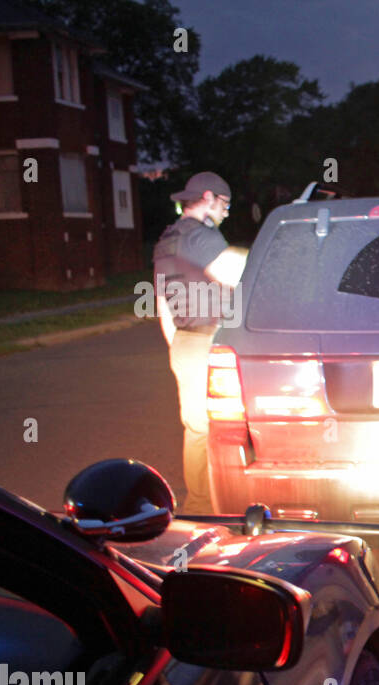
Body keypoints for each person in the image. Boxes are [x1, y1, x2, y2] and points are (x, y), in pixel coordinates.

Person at [152, 171, 246, 513]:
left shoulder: (168, 238)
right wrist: (264, 257)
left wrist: (178, 345)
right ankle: (216, 507)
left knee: (196, 428)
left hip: (184, 343)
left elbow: (162, 302)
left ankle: (200, 506)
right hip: (208, 341)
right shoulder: (200, 235)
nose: (226, 213)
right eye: (225, 205)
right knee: (225, 425)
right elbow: (232, 274)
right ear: (208, 198)